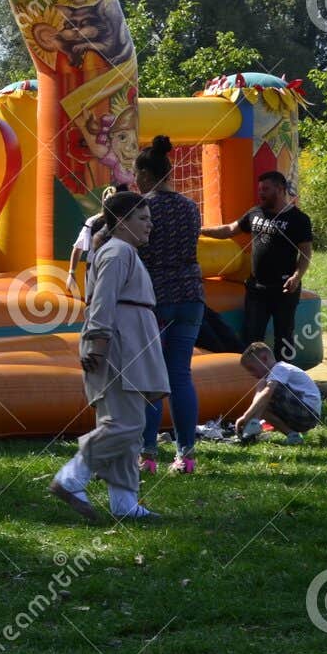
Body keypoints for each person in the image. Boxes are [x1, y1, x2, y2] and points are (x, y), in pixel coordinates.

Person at [49, 192, 170, 522]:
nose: (150, 225)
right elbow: (102, 301)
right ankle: (71, 478)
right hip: (120, 345)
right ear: (123, 221)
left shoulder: (121, 251)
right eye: (143, 219)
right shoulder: (117, 252)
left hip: (129, 341)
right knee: (125, 424)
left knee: (128, 423)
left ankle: (124, 503)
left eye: (149, 219)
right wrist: (99, 343)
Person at [133, 137, 205, 476]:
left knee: (151, 378)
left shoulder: (142, 207)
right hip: (191, 297)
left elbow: (136, 249)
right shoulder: (191, 207)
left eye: (137, 175)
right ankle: (186, 456)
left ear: (146, 174)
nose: (136, 181)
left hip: (155, 300)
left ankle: (147, 455)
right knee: (180, 376)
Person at [202, 171, 313, 363]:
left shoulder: (298, 219)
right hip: (256, 289)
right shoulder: (255, 213)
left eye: (265, 189)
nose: (260, 193)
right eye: (259, 189)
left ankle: (284, 381)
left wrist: (297, 276)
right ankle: (251, 382)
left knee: (284, 336)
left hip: (285, 289)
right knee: (253, 337)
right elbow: (229, 230)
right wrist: (200, 230)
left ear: (280, 189)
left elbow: (305, 253)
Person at [234, 341, 321, 444]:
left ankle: (255, 423)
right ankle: (292, 435)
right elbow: (259, 397)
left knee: (269, 390)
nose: (251, 374)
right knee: (261, 393)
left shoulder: (280, 368)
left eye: (252, 369)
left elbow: (267, 393)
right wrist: (252, 416)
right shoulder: (265, 379)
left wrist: (246, 416)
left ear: (264, 358)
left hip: (308, 414)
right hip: (298, 414)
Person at [65, 183, 128, 296]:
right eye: (107, 198)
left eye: (112, 198)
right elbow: (78, 247)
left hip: (119, 268)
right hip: (94, 268)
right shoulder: (93, 221)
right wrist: (71, 272)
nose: (108, 201)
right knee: (93, 303)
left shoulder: (129, 222)